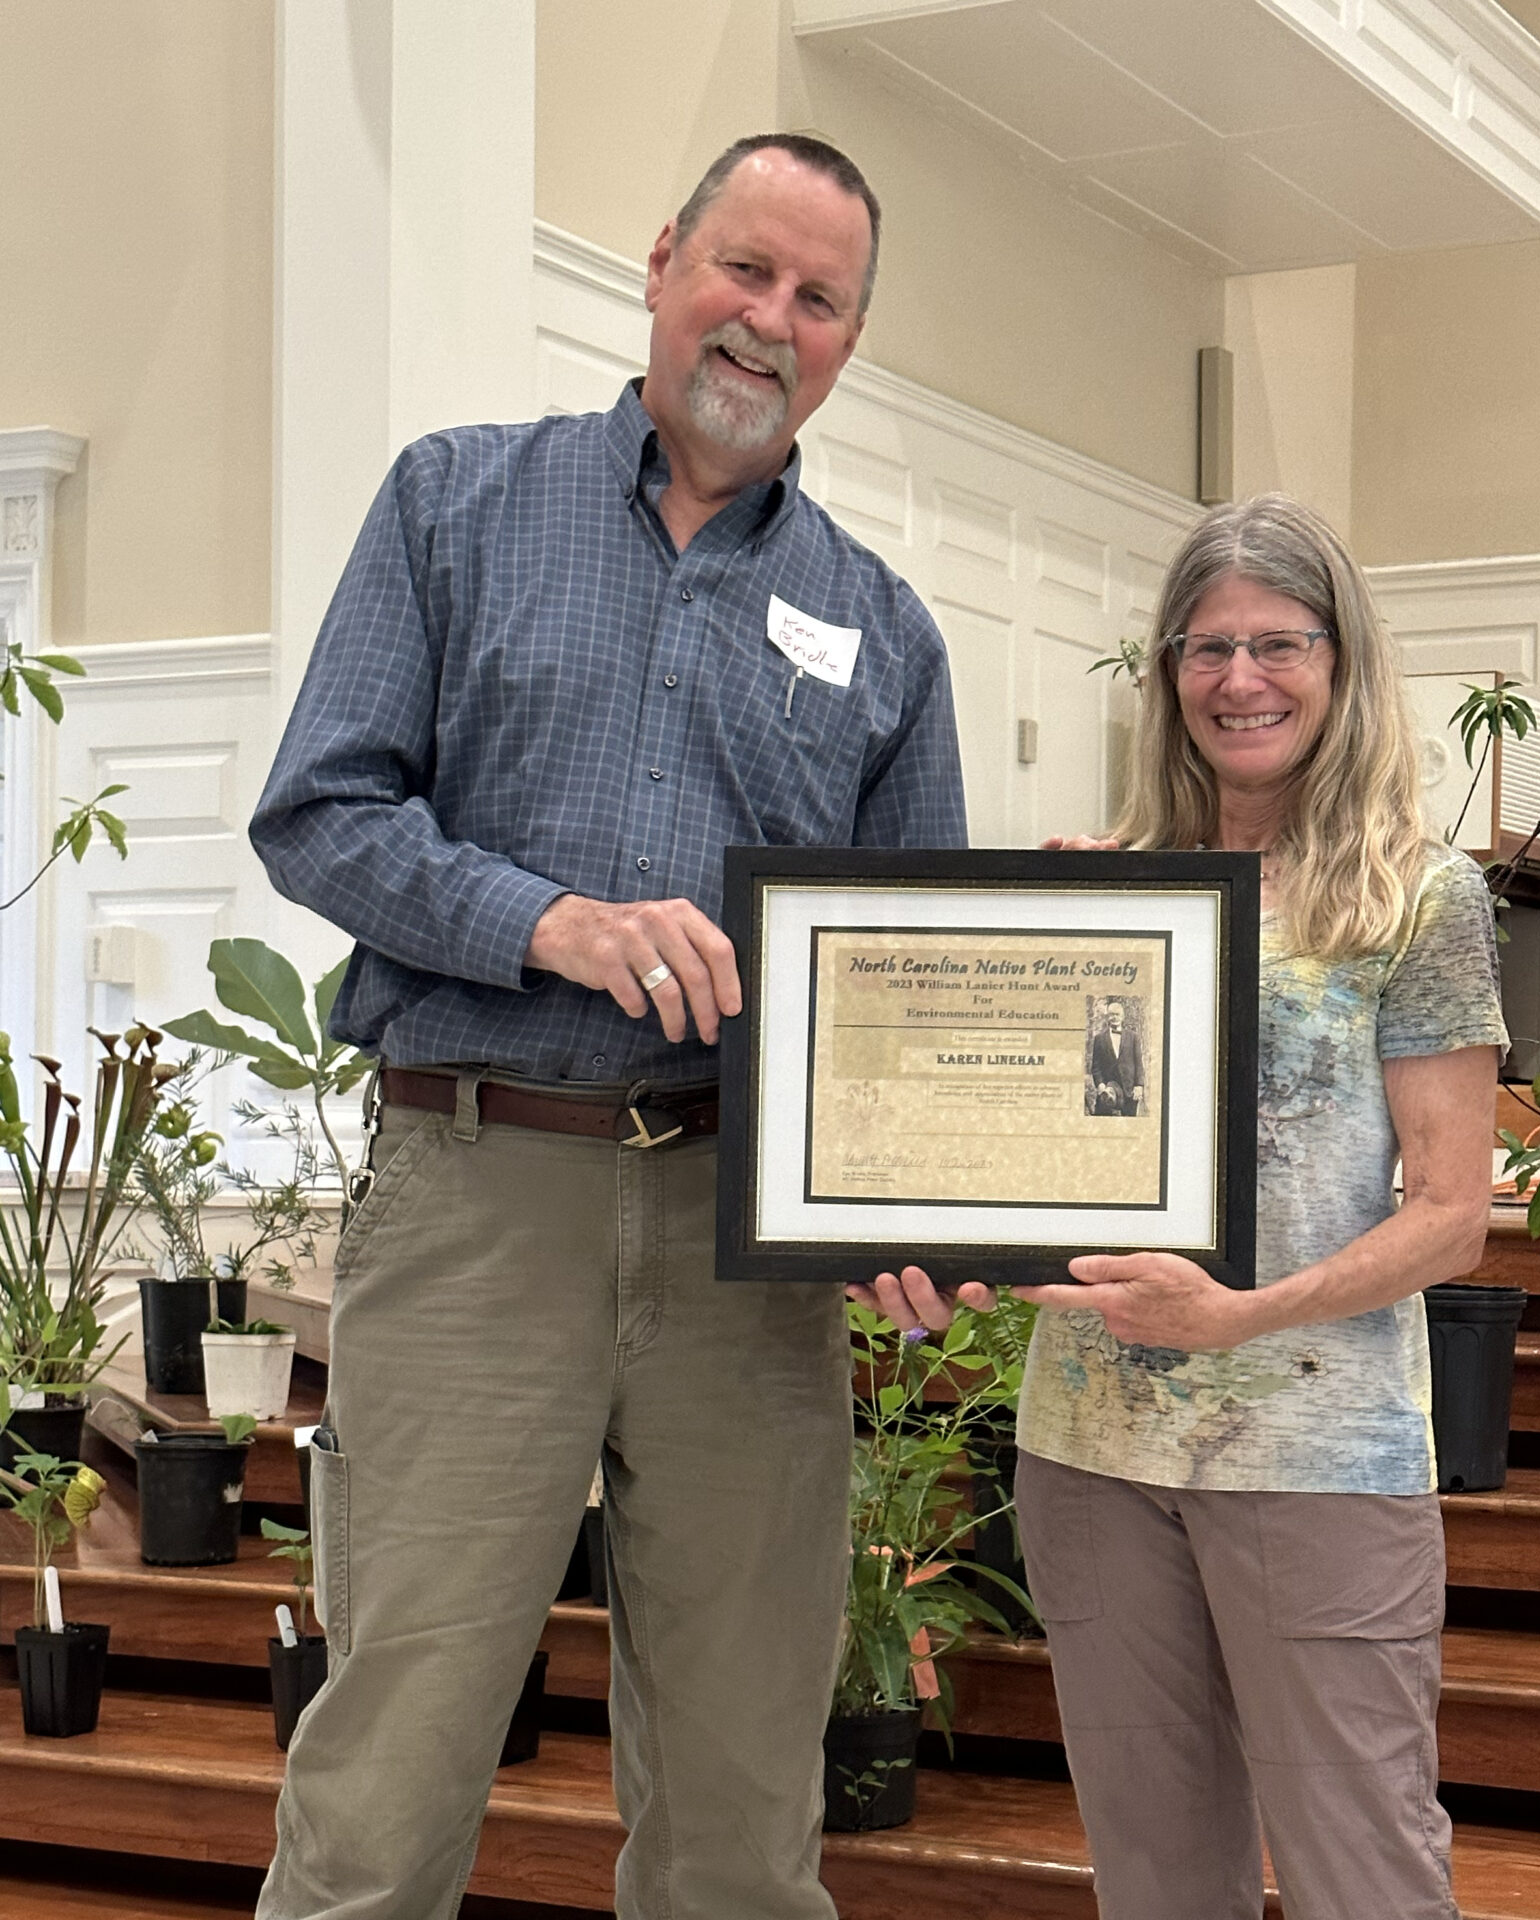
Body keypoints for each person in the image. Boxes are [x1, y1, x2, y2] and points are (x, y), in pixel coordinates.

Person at [250, 135, 966, 1920]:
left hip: (749, 1253)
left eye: (816, 299)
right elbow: (318, 813)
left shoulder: (886, 636)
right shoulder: (454, 506)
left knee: (742, 1796)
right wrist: (547, 925)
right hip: (481, 1189)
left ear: (848, 341)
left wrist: (904, 1195)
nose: (767, 322)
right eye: (743, 270)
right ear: (661, 264)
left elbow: (910, 972)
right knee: (393, 1765)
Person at [859, 494, 1504, 1919]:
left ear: (1341, 664)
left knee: (1365, 1874)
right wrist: (922, 1249)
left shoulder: (1417, 897)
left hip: (1319, 1451)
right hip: (1089, 1449)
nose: (1238, 681)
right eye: (1204, 649)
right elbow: (1044, 1161)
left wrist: (1241, 1316)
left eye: (1278, 643)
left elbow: (1454, 1216)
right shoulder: (1099, 891)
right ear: (1166, 677)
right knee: (1152, 1877)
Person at [1086, 997, 1143, 1115]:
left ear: (1122, 1017)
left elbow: (1138, 1063)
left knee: (1129, 1125)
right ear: (1107, 1017)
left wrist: (1139, 1085)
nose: (1114, 1018)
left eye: (1117, 1014)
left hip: (1129, 1090)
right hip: (1108, 1090)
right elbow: (1096, 1067)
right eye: (1111, 1015)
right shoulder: (1099, 1038)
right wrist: (1100, 1084)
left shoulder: (1133, 1037)